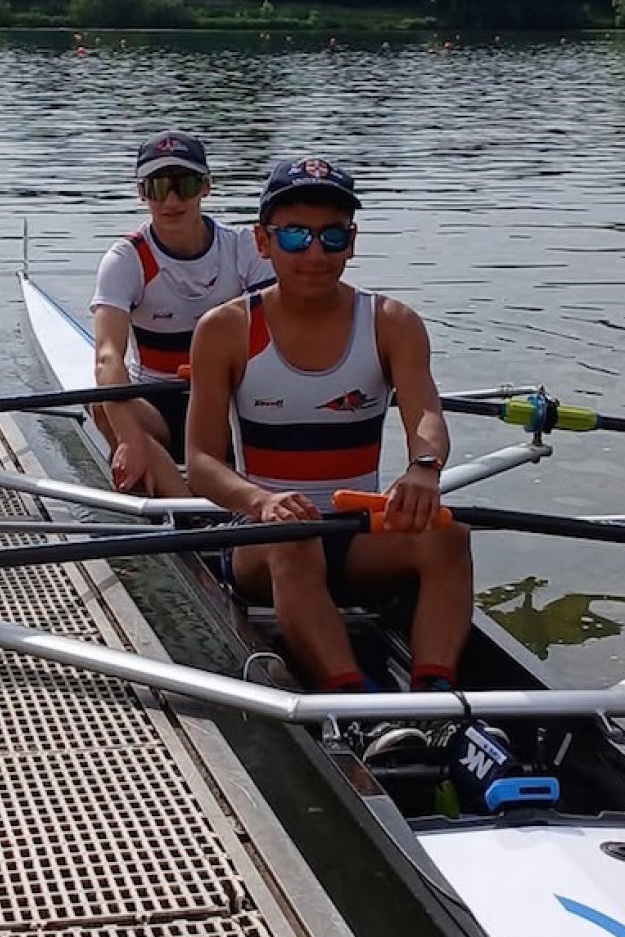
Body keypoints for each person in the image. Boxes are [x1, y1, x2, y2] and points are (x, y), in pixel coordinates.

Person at [186, 157, 473, 693]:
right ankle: (353, 701)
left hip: (353, 535)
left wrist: (424, 468)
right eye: (294, 237)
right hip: (264, 542)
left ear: (352, 241)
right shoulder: (225, 330)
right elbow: (202, 462)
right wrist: (260, 503)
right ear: (263, 243)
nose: (315, 253)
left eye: (331, 236)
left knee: (447, 534)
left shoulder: (392, 323)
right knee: (294, 539)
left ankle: (435, 697)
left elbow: (427, 415)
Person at [90, 131, 273, 496]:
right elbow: (107, 357)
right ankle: (190, 516)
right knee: (101, 403)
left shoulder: (243, 249)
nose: (171, 200)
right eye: (158, 188)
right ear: (142, 193)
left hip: (227, 400)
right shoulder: (127, 259)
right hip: (159, 404)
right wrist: (127, 437)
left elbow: (277, 338)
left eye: (184, 185)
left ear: (206, 187)